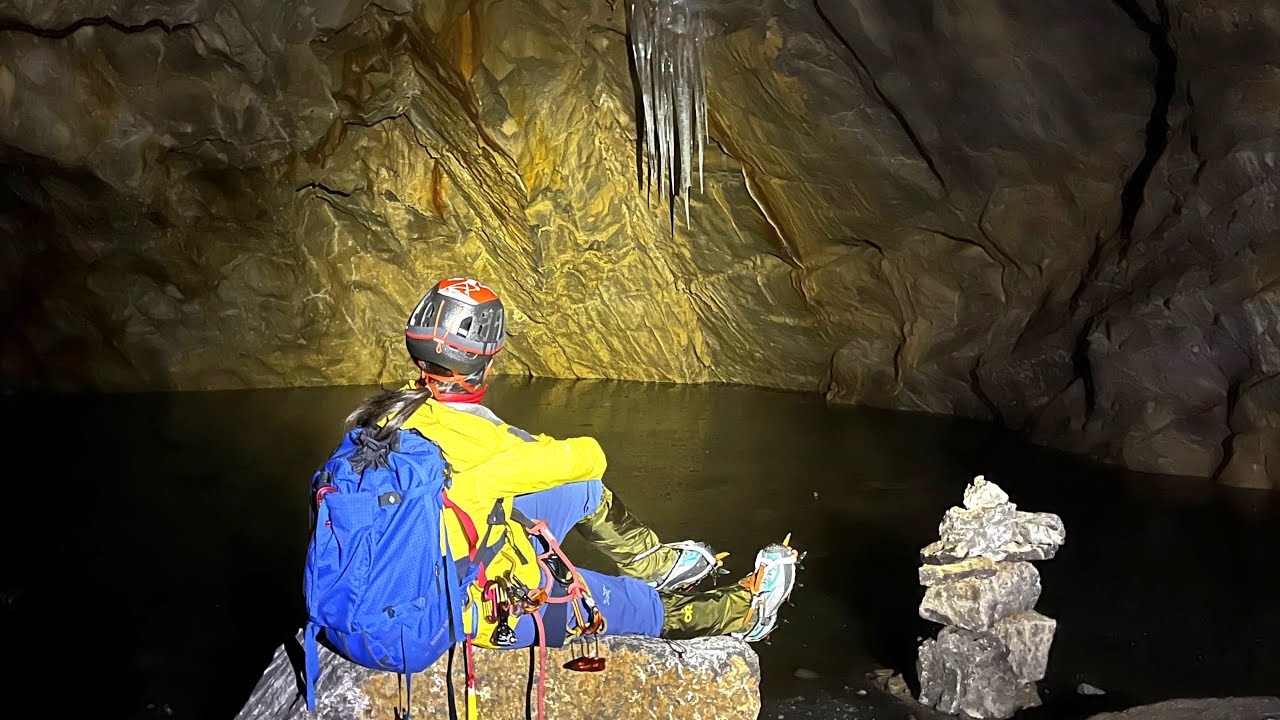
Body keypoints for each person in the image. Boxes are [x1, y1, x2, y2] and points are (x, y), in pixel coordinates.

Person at [344, 277, 799, 655]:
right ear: (487, 360)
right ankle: (746, 611)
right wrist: (535, 448)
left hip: (413, 567)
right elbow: (589, 455)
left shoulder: (383, 417)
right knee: (634, 604)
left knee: (579, 489)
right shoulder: (490, 445)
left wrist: (524, 452)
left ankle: (656, 563)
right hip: (476, 608)